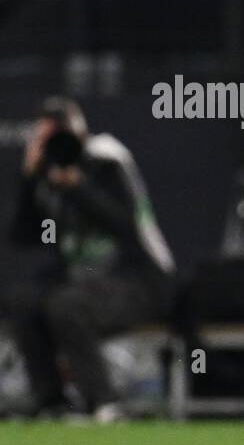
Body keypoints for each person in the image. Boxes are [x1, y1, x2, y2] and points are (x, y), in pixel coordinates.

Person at [9, 96, 175, 421]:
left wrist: (77, 186)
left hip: (141, 279)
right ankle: (51, 402)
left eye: (60, 136)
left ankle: (104, 404)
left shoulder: (106, 159)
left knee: (67, 304)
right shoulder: (46, 176)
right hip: (86, 282)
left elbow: (125, 225)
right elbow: (23, 236)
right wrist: (30, 181)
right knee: (24, 301)